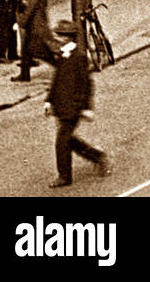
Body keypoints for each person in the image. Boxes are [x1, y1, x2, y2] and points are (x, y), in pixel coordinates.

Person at [46, 20, 110, 186]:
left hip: (73, 107)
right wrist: (48, 101)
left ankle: (65, 177)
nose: (58, 38)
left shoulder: (79, 57)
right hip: (61, 105)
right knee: (68, 140)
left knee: (61, 142)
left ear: (69, 38)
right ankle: (98, 156)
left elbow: (87, 84)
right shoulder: (62, 54)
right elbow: (56, 80)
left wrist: (87, 108)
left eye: (61, 35)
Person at [14, 0, 58, 83]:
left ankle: (63, 68)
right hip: (35, 24)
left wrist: (19, 23)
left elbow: (30, 10)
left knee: (43, 52)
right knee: (26, 50)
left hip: (36, 25)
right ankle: (24, 75)